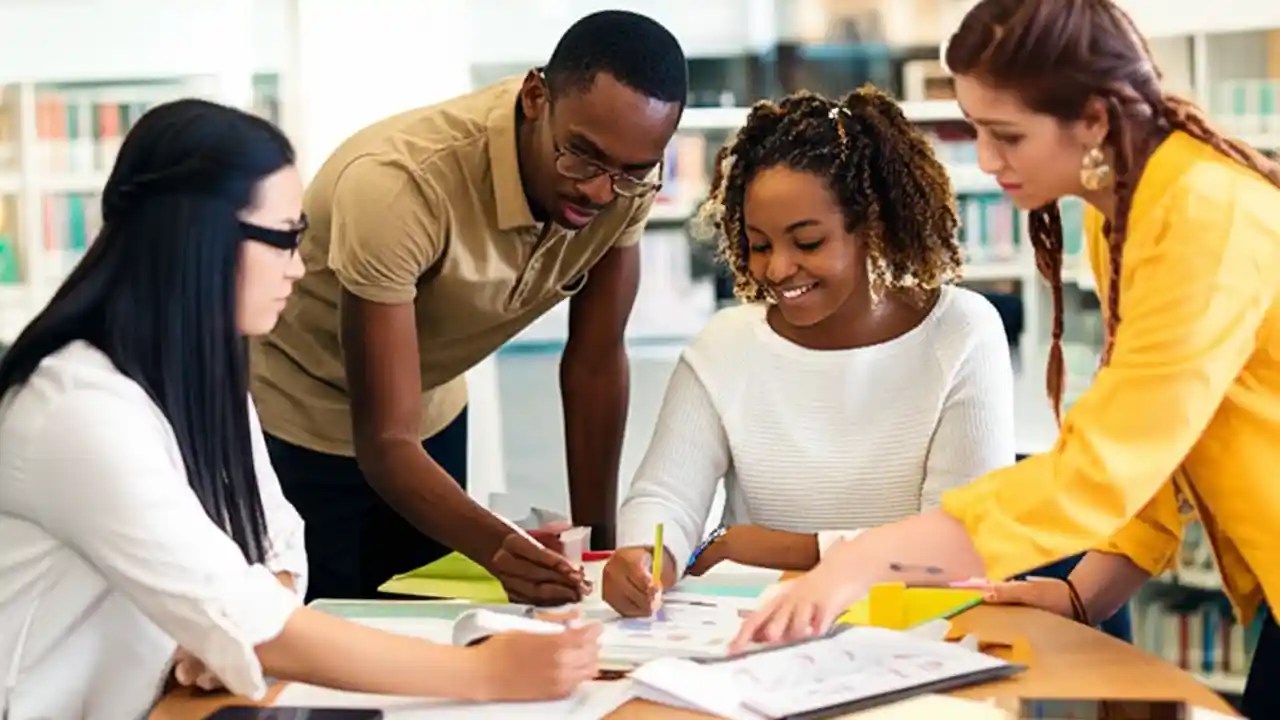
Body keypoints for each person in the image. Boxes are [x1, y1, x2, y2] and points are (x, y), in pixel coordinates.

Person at [732, 1, 1280, 716]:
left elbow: (1103, 470)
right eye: (977, 130)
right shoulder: (1125, 202)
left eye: (1007, 135)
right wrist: (1086, 595)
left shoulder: (1204, 212)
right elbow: (1155, 440)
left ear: (1092, 118)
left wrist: (863, 560)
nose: (987, 161)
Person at [0, 99, 599, 720]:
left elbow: (278, 544)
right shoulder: (77, 409)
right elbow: (254, 620)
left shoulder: (201, 369)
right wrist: (485, 673)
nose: (302, 266)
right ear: (201, 239)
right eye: (286, 239)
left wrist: (228, 628)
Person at [249, 9, 688, 605]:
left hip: (428, 411)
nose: (599, 190)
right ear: (536, 97)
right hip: (301, 418)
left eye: (631, 172)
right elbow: (385, 441)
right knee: (327, 626)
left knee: (428, 620)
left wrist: (599, 552)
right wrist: (502, 547)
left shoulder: (625, 174)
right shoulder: (398, 187)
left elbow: (594, 363)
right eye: (581, 157)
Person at [601, 87, 1016, 617]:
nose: (776, 269)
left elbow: (961, 547)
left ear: (870, 227)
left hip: (918, 640)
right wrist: (642, 559)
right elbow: (665, 497)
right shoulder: (725, 346)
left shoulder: (962, 331)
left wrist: (786, 547)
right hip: (764, 645)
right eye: (760, 244)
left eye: (808, 242)